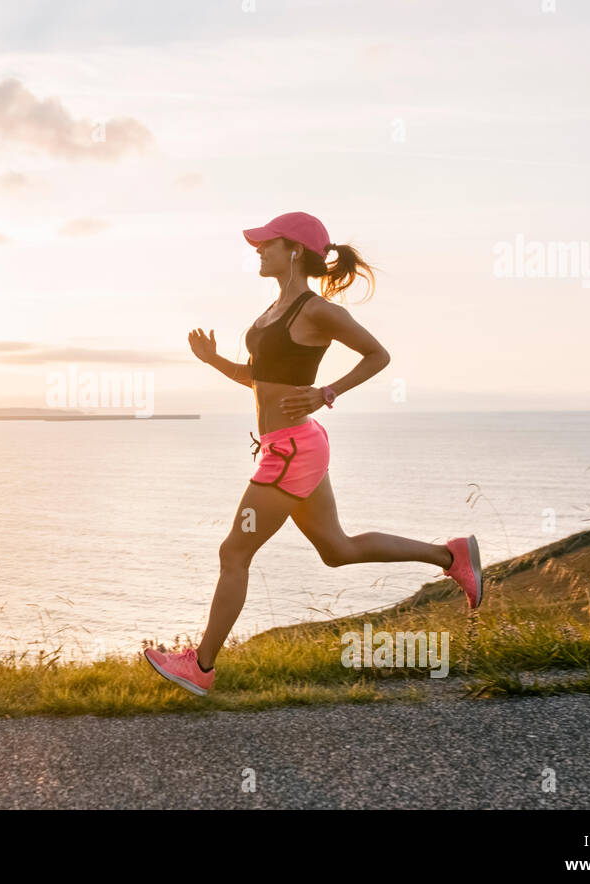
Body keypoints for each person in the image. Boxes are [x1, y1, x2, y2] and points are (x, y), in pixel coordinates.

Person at [143, 212, 483, 696]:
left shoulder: (316, 310)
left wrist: (327, 392)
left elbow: (377, 355)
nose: (258, 251)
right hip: (289, 447)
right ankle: (450, 556)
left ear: (295, 250)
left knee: (233, 552)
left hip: (291, 453)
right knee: (337, 550)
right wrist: (214, 360)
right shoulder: (273, 311)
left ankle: (200, 666)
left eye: (268, 244)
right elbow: (259, 379)